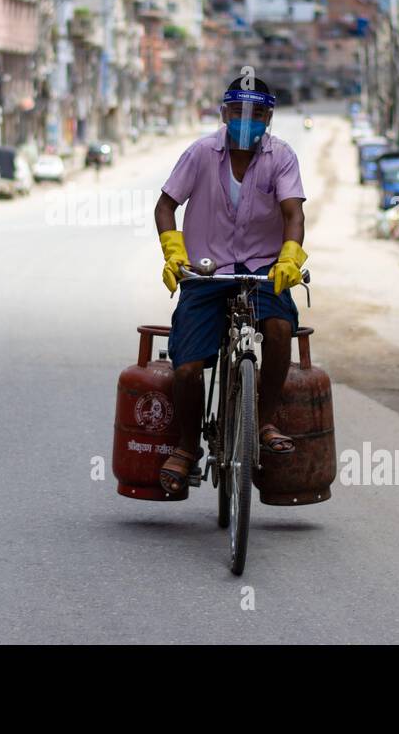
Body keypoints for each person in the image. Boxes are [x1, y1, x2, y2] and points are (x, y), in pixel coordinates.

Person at [152, 75, 307, 495]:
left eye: (256, 114)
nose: (245, 121)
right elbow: (166, 205)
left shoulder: (282, 157)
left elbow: (293, 213)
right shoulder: (201, 153)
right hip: (206, 272)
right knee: (185, 369)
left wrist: (290, 257)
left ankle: (264, 420)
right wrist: (173, 253)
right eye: (237, 112)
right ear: (223, 113)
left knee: (278, 329)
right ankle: (187, 448)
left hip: (262, 270)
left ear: (268, 117)